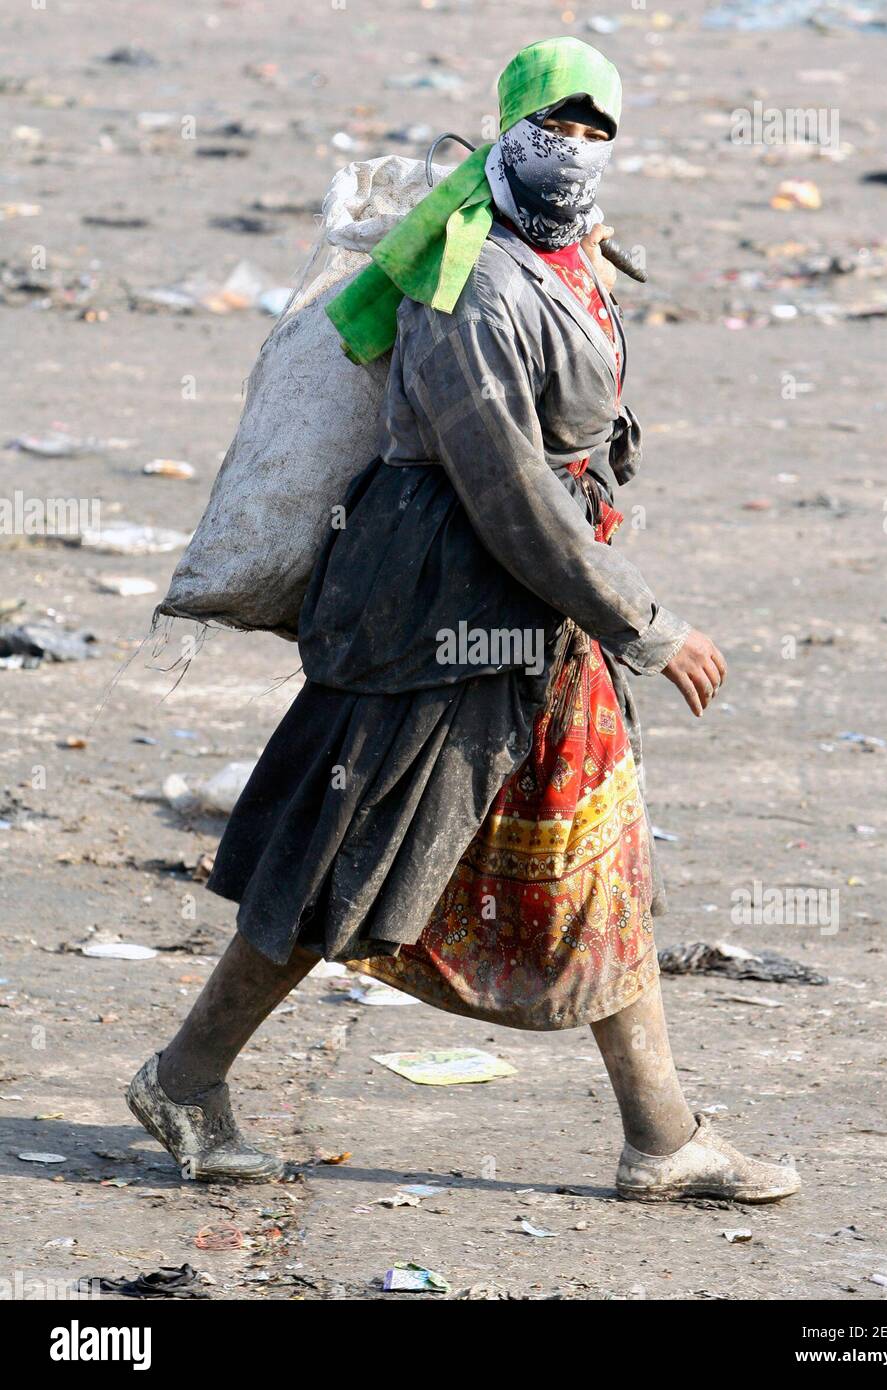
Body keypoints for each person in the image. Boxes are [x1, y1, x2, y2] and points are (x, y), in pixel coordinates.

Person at [126, 37, 800, 1205]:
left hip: (538, 616)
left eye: (597, 134)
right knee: (345, 856)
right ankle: (186, 1078)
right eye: (554, 127)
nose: (573, 151)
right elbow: (503, 488)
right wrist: (645, 622)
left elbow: (577, 437)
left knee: (601, 852)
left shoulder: (569, 253)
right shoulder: (465, 276)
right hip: (432, 614)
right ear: (507, 127)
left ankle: (660, 1133)